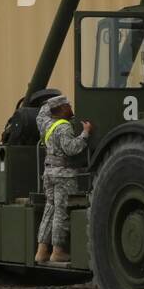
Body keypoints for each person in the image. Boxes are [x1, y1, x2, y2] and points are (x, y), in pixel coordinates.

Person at [34, 95, 92, 265]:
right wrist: (85, 133)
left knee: (49, 210)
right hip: (63, 175)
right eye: (67, 105)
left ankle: (41, 251)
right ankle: (58, 251)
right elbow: (71, 149)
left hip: (49, 173)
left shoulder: (47, 125)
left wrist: (49, 104)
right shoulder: (64, 127)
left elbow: (40, 115)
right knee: (61, 212)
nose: (70, 107)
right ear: (61, 109)